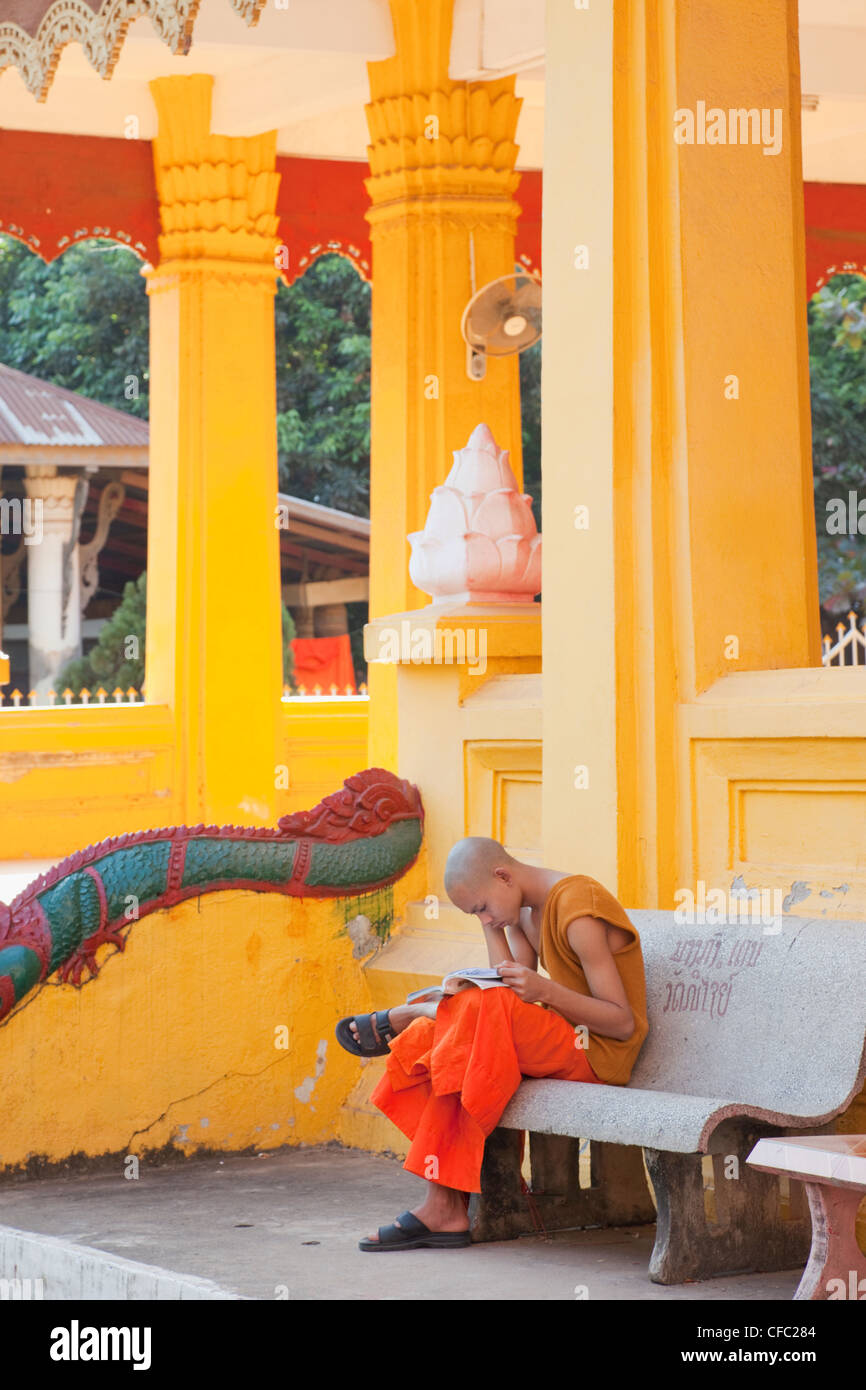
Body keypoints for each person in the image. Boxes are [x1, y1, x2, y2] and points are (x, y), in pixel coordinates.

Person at [335, 837, 649, 1252]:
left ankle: (418, 1013)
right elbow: (509, 984)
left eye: (482, 907)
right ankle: (443, 1202)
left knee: (473, 1021)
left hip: (598, 1053)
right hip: (556, 1037)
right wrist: (494, 924)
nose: (485, 917)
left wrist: (547, 990)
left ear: (503, 875)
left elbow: (622, 1023)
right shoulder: (521, 908)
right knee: (463, 1029)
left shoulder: (577, 910)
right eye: (475, 915)